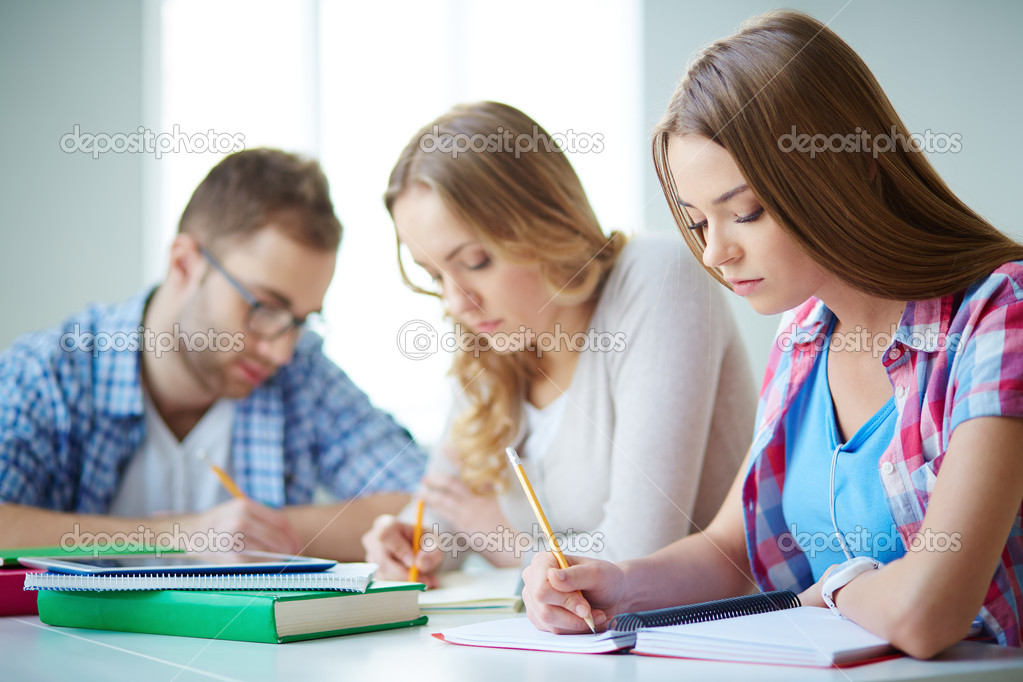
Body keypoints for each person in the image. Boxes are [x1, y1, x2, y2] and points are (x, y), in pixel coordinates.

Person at [520, 9, 1023, 657]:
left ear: (853, 167)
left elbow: (928, 612)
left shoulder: (997, 315)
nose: (714, 253)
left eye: (745, 212)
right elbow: (732, 551)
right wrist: (613, 583)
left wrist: (834, 588)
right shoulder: (803, 335)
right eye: (697, 222)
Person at [361, 101, 756, 586]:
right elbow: (445, 513)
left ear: (544, 225)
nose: (455, 301)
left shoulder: (659, 278)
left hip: (700, 642)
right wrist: (408, 539)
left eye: (476, 260)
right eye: (434, 275)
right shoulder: (498, 337)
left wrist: (505, 541)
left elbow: (633, 558)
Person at [0, 148, 427, 560]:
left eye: (300, 320)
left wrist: (255, 533)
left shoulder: (302, 372)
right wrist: (177, 536)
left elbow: (420, 504)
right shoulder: (50, 374)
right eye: (264, 308)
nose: (281, 350)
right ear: (185, 264)